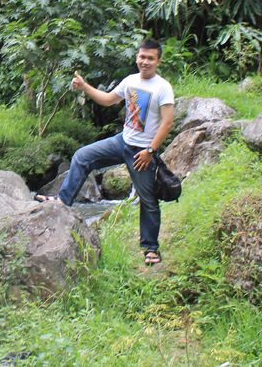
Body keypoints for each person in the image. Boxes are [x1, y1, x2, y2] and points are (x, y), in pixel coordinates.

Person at [37, 38, 175, 266]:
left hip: (143, 152)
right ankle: (63, 200)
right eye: (142, 57)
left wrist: (151, 150)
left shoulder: (163, 88)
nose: (145, 62)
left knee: (148, 199)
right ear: (137, 57)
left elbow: (167, 123)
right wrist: (84, 87)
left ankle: (151, 248)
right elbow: (109, 100)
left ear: (158, 61)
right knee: (82, 156)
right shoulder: (130, 80)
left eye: (151, 58)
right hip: (122, 141)